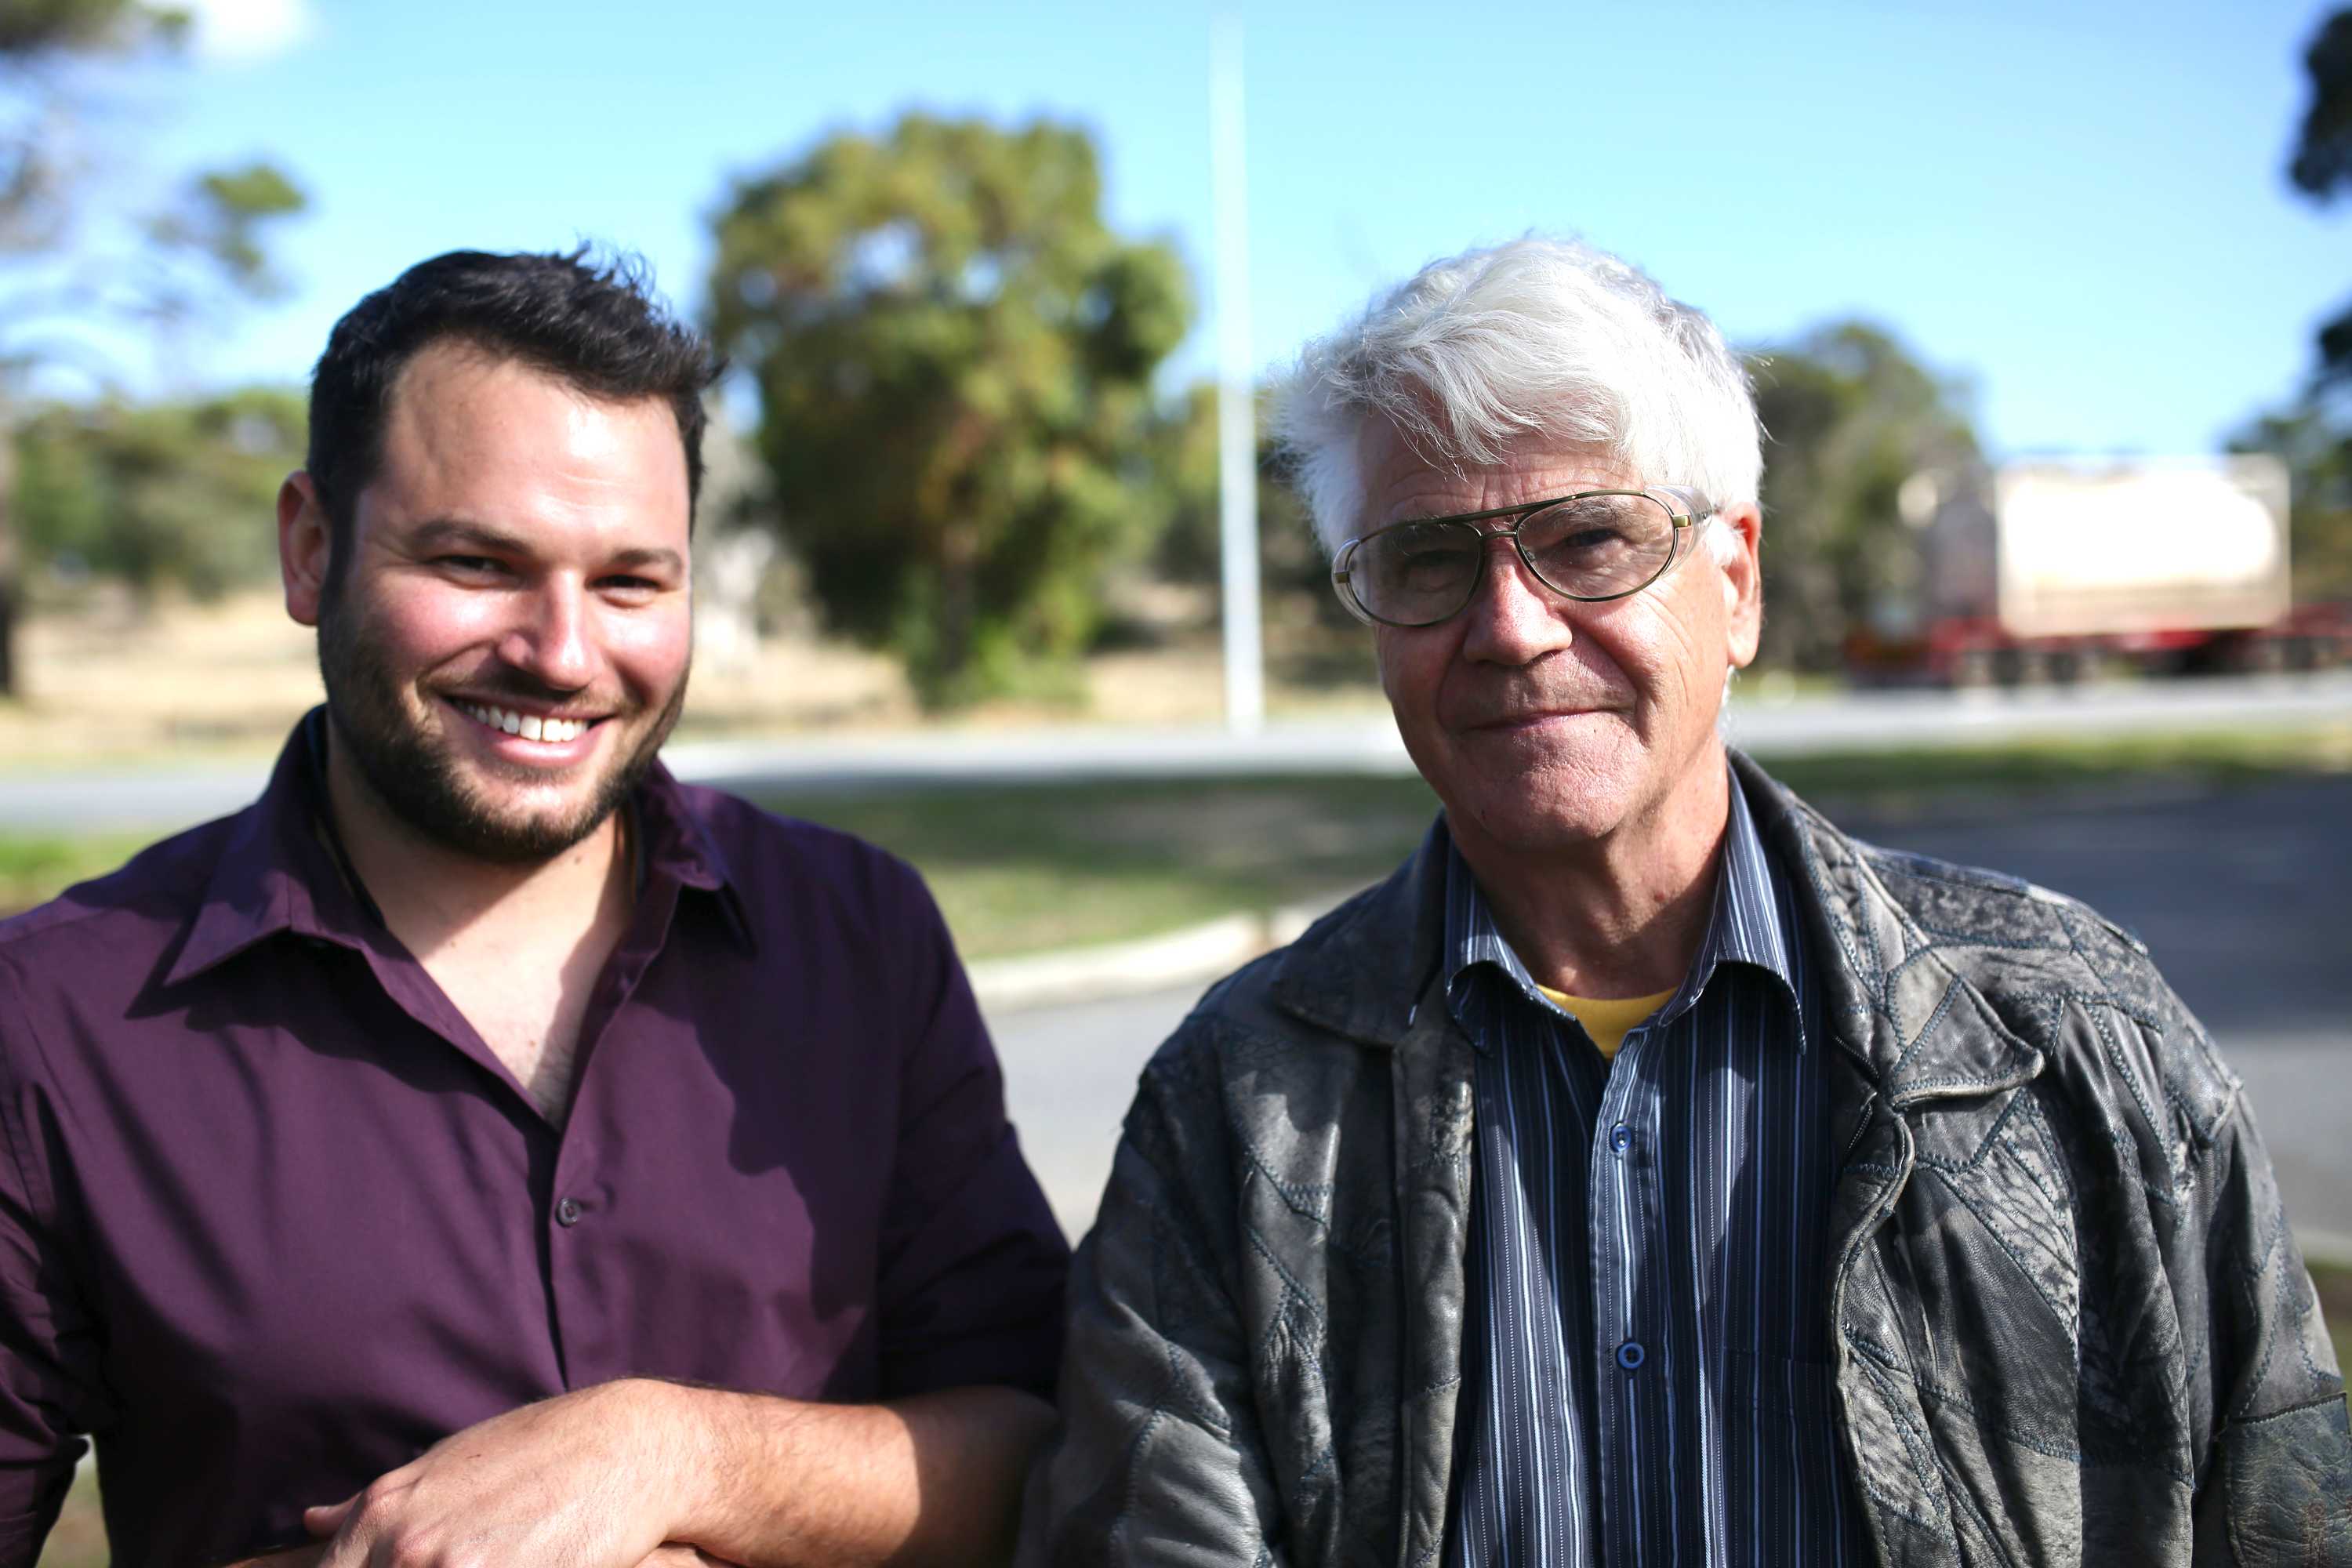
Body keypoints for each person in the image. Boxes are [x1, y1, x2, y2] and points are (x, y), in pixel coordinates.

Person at [1019, 236, 2351, 1566]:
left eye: (1589, 538)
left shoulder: (2072, 1043)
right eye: (1428, 560)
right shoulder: (1235, 1110)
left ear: (1740, 583)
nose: (1513, 624)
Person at [0, 249, 1069, 1568]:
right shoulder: (51, 1020)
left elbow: (1041, 1458)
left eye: (630, 582)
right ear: (309, 548)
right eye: (476, 562)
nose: (562, 655)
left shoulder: (863, 935)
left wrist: (680, 1455)